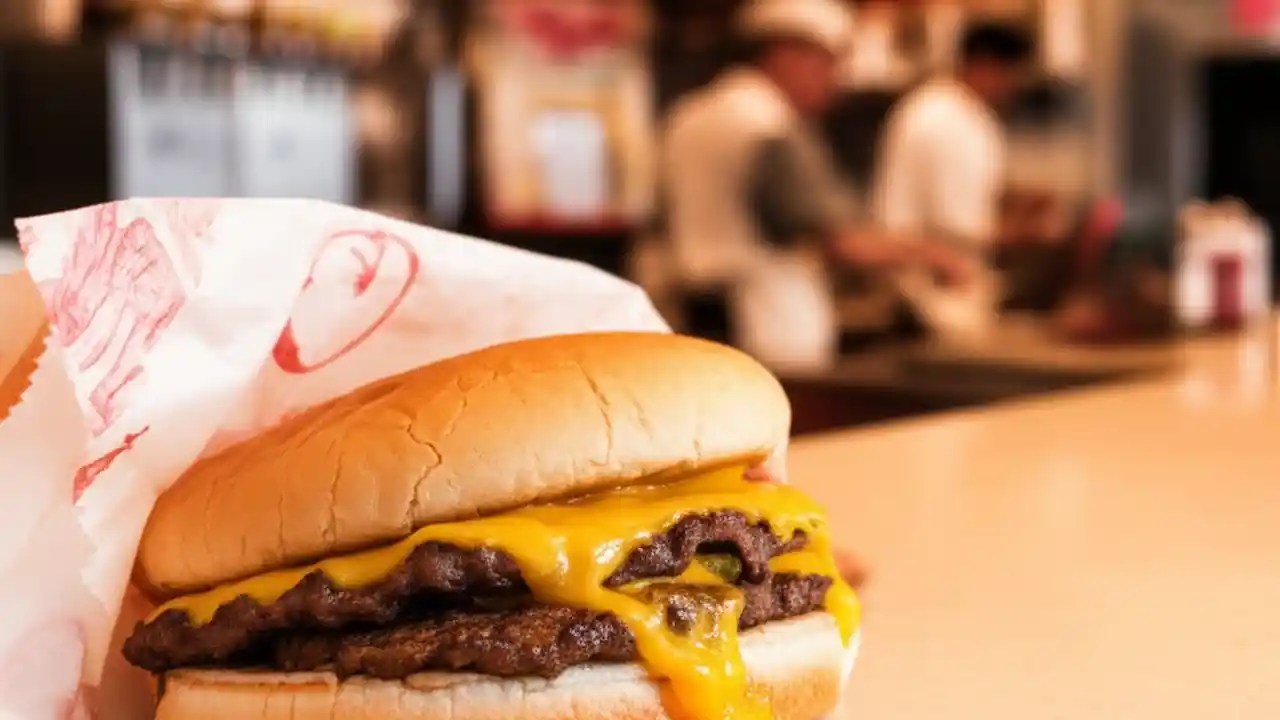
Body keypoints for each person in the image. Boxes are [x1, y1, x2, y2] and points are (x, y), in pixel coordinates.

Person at [656, 0, 975, 368]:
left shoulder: (689, 115)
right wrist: (936, 256)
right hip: (761, 320)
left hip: (689, 319)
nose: (836, 80)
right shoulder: (770, 125)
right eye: (830, 63)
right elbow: (842, 242)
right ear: (785, 53)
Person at [873, 22, 1035, 251]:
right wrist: (1027, 232)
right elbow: (957, 226)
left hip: (945, 259)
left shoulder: (963, 111)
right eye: (1012, 75)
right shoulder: (943, 119)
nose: (1015, 87)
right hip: (923, 269)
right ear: (986, 66)